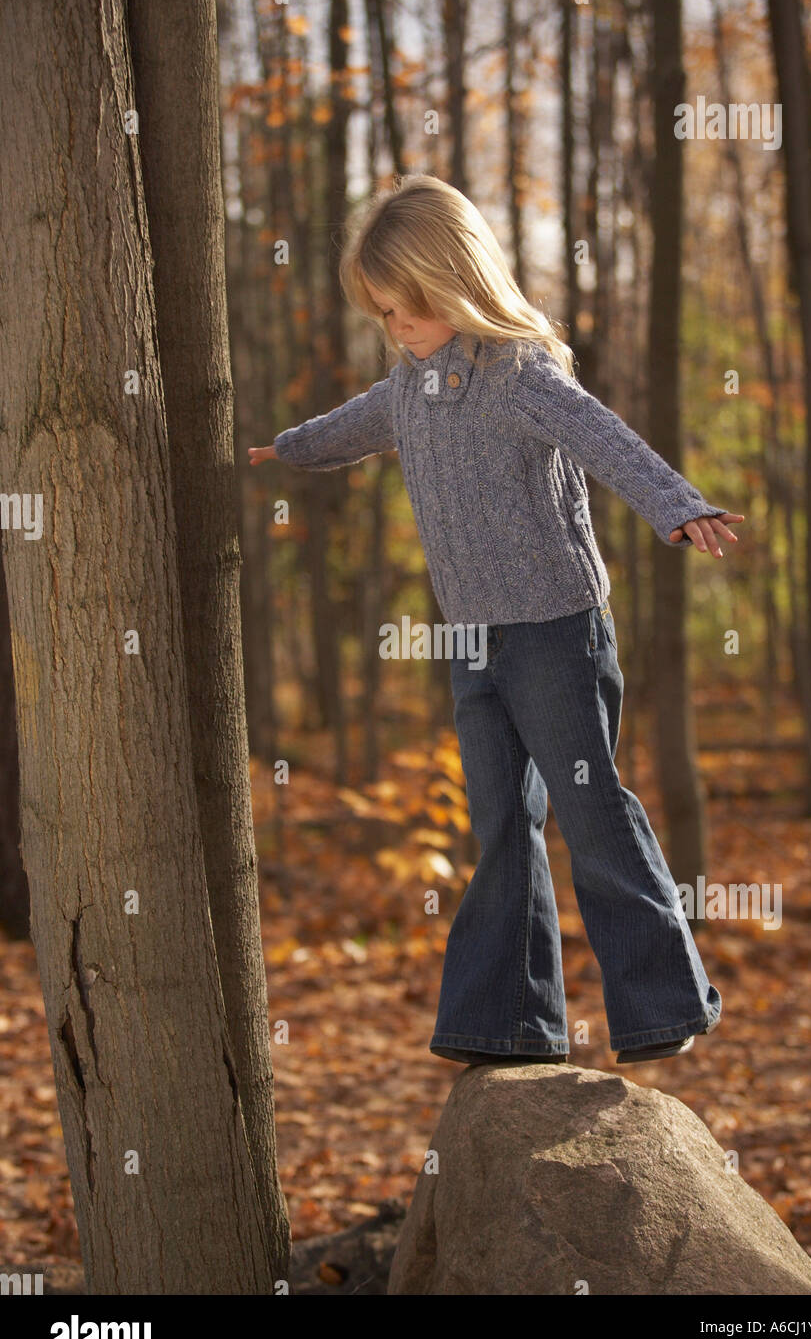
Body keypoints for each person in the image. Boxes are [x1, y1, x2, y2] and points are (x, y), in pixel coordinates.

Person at [250, 173, 743, 1066]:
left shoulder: (521, 374)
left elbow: (607, 439)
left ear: (457, 281)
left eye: (409, 310)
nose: (397, 330)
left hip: (556, 629)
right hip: (471, 641)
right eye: (384, 315)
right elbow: (350, 426)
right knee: (501, 830)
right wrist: (286, 448)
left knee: (592, 812)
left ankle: (663, 1004)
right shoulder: (409, 387)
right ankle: (509, 1025)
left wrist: (677, 504)